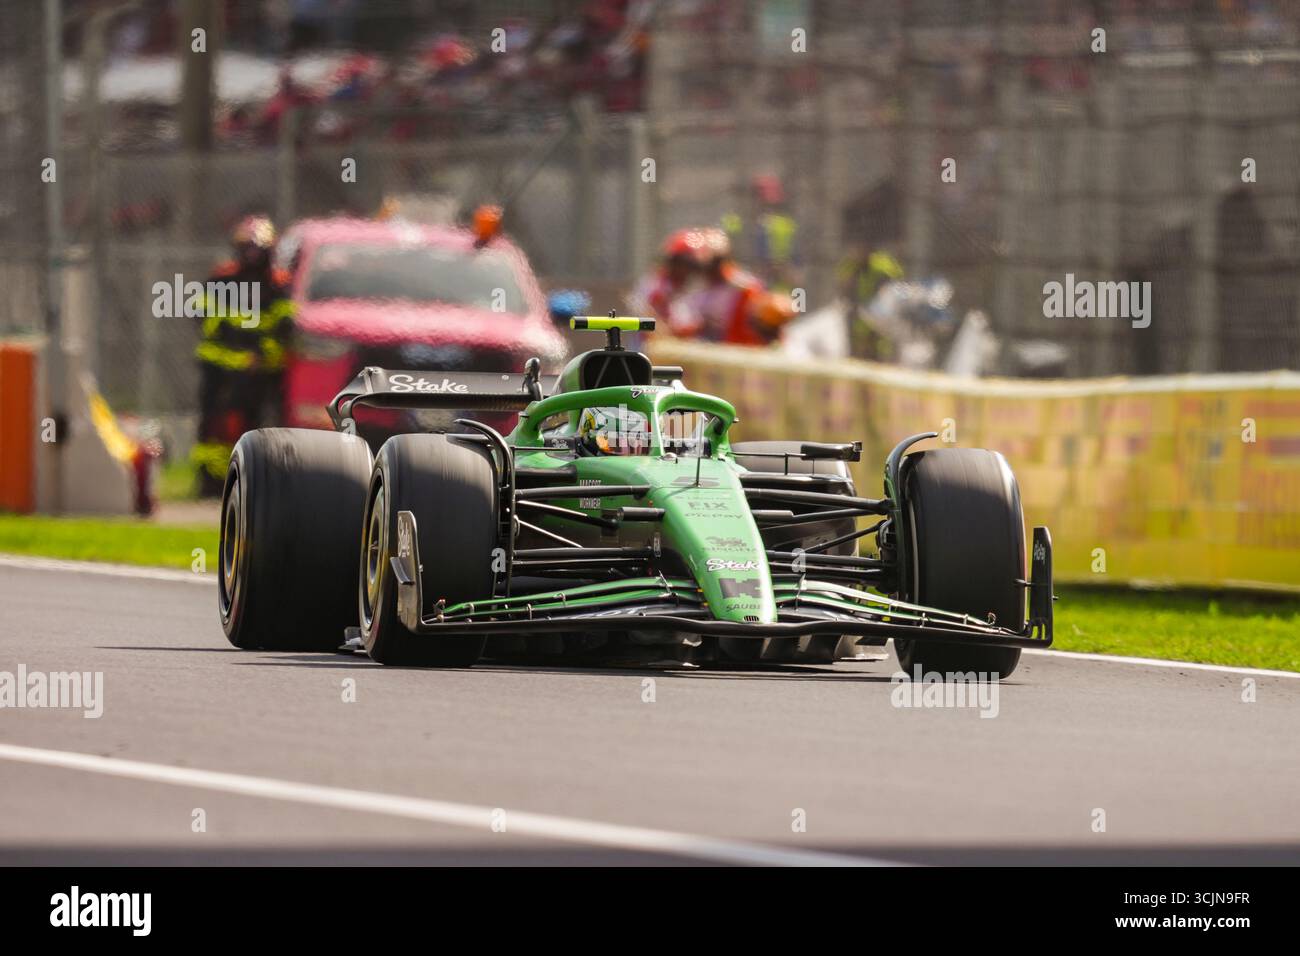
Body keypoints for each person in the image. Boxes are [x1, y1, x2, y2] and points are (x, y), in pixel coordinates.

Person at [191, 215, 295, 495]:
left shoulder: (279, 285)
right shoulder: (221, 279)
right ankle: (210, 481)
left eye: (257, 249)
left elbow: (284, 328)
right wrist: (240, 344)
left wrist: (261, 356)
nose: (251, 255)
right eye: (245, 248)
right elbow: (204, 318)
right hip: (219, 364)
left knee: (255, 424)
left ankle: (254, 482)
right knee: (213, 424)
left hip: (261, 372)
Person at [721, 173, 800, 292]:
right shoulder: (733, 224)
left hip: (777, 299)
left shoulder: (785, 227)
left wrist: (779, 270)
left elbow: (797, 275)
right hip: (743, 294)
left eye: (768, 203)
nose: (764, 207)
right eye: (760, 200)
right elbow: (723, 266)